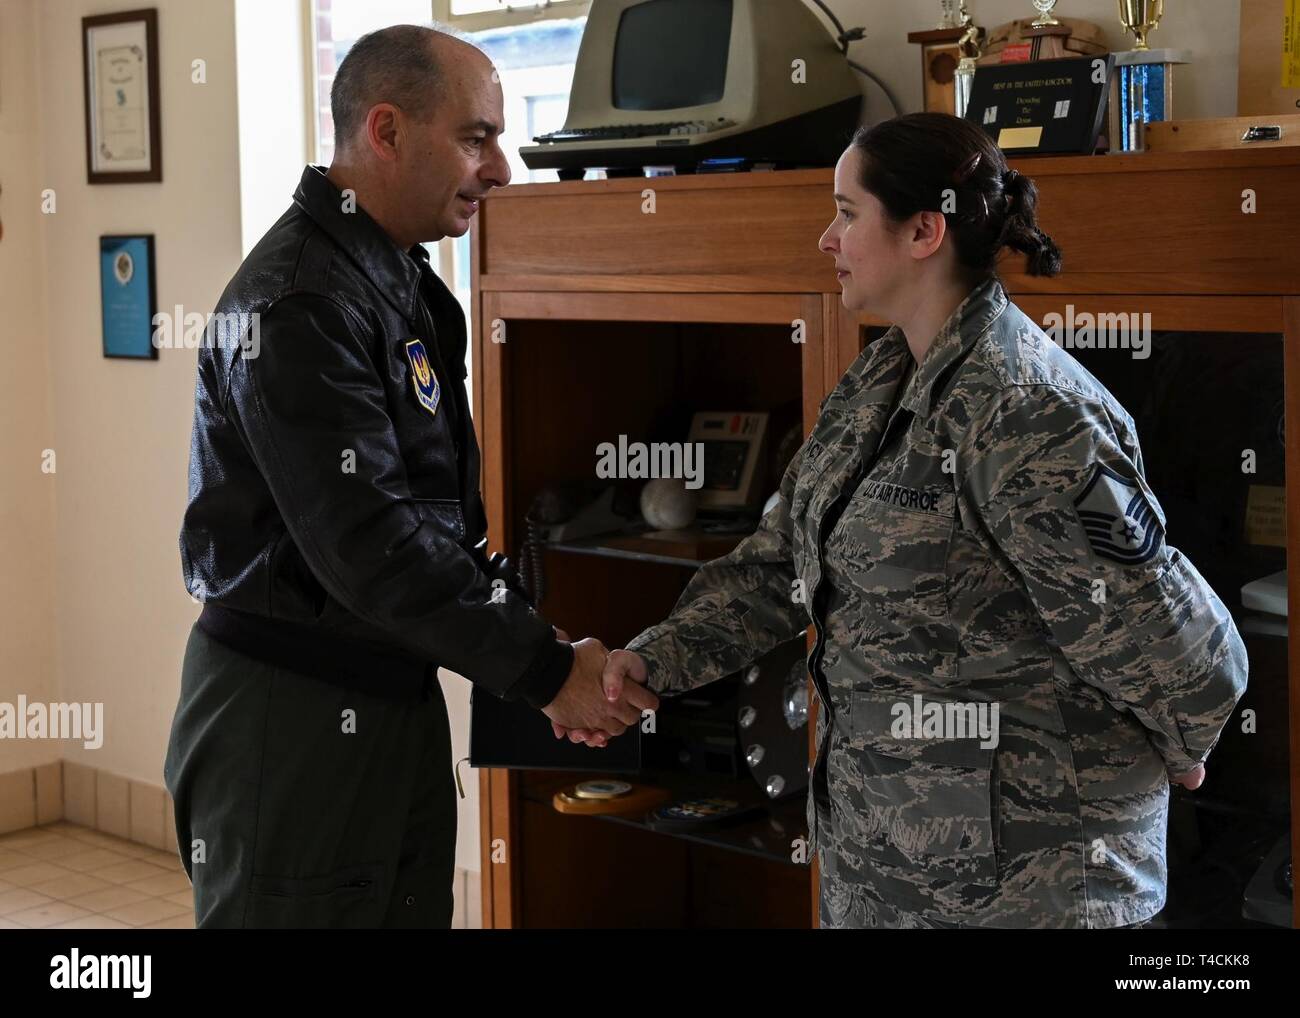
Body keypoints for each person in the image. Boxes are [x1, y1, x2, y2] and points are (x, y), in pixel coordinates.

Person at [590, 113, 1247, 928]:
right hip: (882, 873)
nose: (826, 239)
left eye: (845, 212)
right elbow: (776, 567)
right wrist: (650, 666)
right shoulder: (878, 378)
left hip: (1028, 888)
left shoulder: (1031, 415)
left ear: (923, 231)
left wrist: (1184, 749)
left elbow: (1181, 647)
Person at [164, 25, 656, 929]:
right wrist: (549, 671)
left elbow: (432, 526)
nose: (501, 169)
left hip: (387, 691)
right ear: (385, 132)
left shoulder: (393, 279)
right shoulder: (303, 302)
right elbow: (374, 544)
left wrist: (533, 656)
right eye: (476, 138)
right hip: (291, 712)